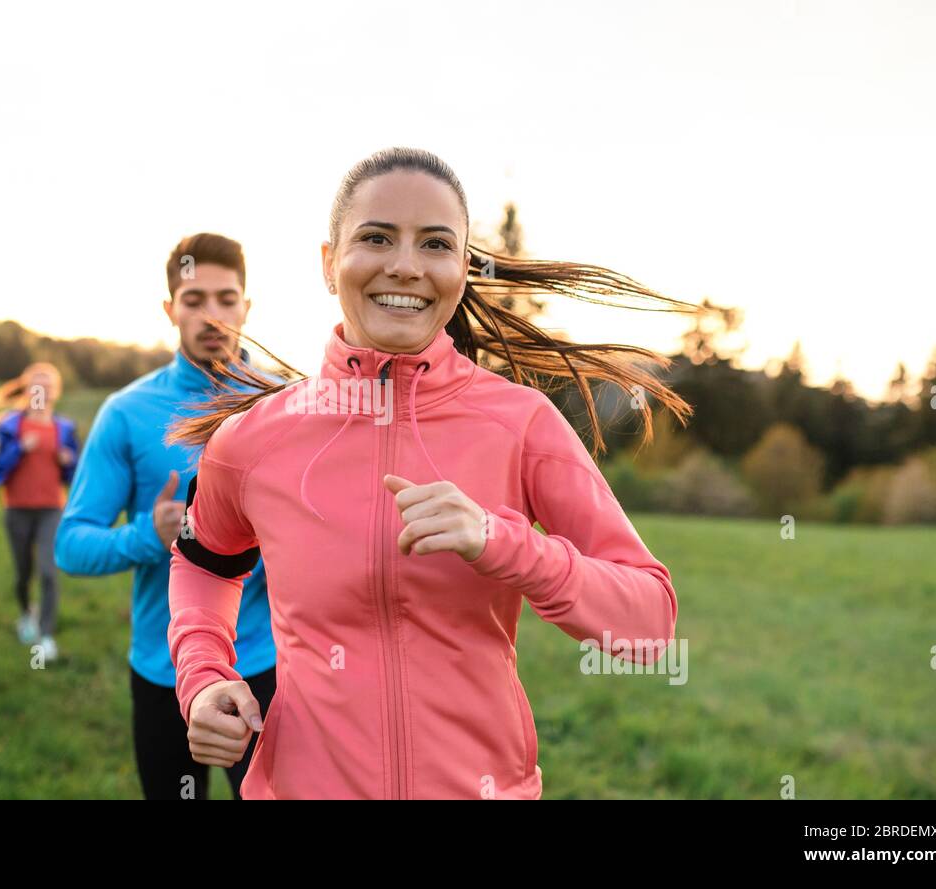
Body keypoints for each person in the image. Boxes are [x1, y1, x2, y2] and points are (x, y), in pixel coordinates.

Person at [166, 147, 697, 799]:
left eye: (435, 244)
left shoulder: (521, 424)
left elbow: (649, 625)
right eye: (377, 237)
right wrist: (203, 675)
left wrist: (506, 543)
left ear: (462, 269)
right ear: (330, 263)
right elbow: (205, 562)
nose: (406, 266)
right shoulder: (252, 441)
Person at [55, 233, 277, 800]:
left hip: (268, 666)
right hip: (162, 670)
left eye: (227, 299)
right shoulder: (127, 413)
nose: (212, 315)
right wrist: (148, 537)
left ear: (247, 306)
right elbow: (71, 545)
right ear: (170, 308)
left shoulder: (286, 407)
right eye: (194, 298)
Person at [0, 362, 79, 659]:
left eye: (49, 383)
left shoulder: (65, 429)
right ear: (27, 389)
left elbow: (75, 474)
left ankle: (46, 636)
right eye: (37, 383)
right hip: (17, 509)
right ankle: (26, 614)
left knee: (49, 571)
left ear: (56, 391)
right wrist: (19, 448)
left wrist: (68, 460)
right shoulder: (10, 425)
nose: (43, 388)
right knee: (24, 572)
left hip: (51, 509)